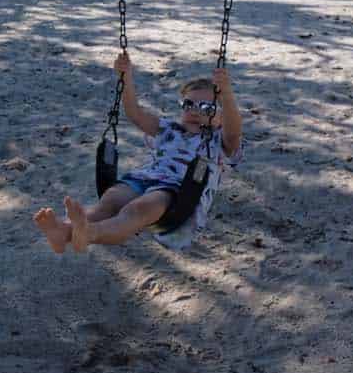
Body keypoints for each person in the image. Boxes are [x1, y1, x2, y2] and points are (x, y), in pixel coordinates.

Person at [34, 52, 243, 253]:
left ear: (221, 117)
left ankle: (90, 233)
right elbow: (134, 113)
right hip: (143, 179)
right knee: (110, 201)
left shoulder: (217, 141)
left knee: (137, 210)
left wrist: (227, 94)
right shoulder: (168, 129)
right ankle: (64, 231)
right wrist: (126, 77)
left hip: (178, 192)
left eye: (207, 108)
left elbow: (234, 132)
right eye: (189, 104)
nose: (196, 112)